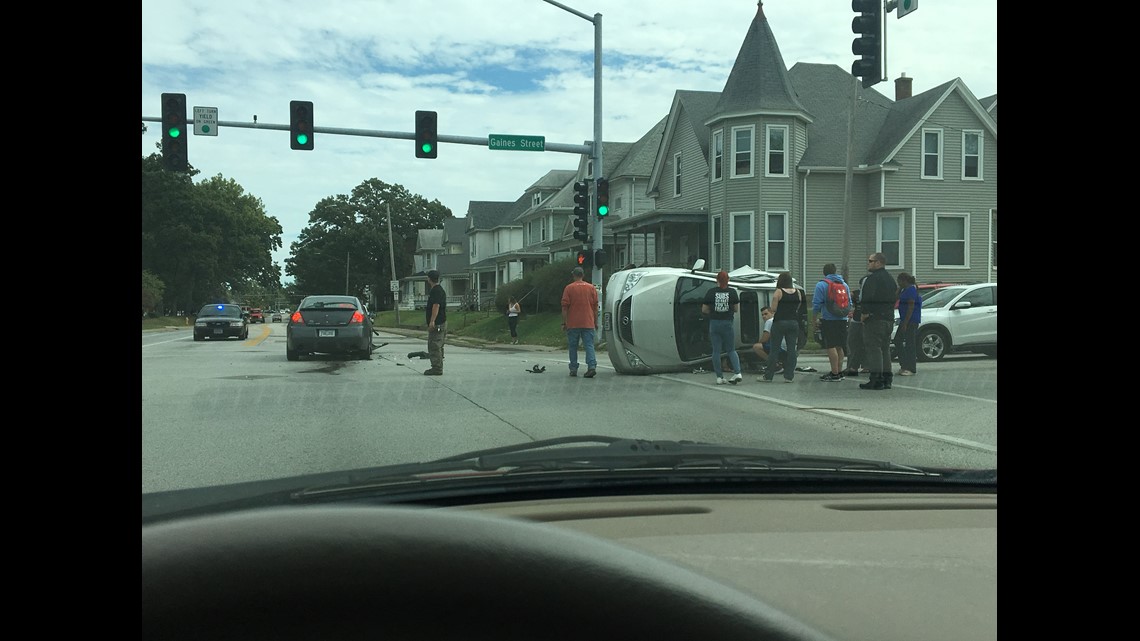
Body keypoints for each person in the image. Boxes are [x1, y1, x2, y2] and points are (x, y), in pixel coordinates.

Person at [859, 253, 895, 390]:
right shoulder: (890, 280)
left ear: (878, 263)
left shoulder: (872, 279)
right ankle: (887, 379)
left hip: (875, 319)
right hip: (888, 319)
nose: (869, 263)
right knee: (885, 349)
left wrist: (864, 313)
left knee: (873, 349)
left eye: (870, 261)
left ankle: (876, 379)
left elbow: (868, 298)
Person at [759, 272, 802, 383]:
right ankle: (789, 376)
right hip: (793, 322)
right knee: (792, 349)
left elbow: (773, 309)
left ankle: (769, 376)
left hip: (780, 322)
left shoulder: (778, 292)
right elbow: (798, 306)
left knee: (774, 349)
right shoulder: (797, 292)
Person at [701, 271, 743, 385]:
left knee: (716, 351)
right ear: (728, 280)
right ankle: (737, 372)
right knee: (731, 349)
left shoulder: (711, 292)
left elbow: (704, 310)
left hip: (714, 323)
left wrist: (713, 311)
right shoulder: (732, 292)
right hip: (727, 323)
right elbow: (735, 309)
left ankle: (719, 377)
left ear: (717, 280)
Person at [812, 263, 852, 382]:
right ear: (835, 271)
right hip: (842, 319)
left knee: (830, 345)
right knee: (839, 346)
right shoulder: (844, 284)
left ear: (824, 272)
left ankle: (834, 373)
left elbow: (816, 304)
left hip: (829, 319)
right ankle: (839, 371)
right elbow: (849, 302)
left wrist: (814, 319)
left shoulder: (822, 284)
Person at [561, 266, 599, 378]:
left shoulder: (569, 288)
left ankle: (573, 368)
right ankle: (591, 366)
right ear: (583, 275)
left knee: (573, 346)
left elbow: (564, 307)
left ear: (574, 275)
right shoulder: (591, 288)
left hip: (573, 323)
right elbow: (595, 307)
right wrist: (595, 322)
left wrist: (564, 322)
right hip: (588, 321)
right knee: (589, 345)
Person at [842, 273, 871, 377]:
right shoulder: (856, 293)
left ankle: (866, 366)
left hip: (866, 322)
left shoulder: (871, 294)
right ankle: (851, 366)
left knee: (865, 344)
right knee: (852, 344)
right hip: (855, 320)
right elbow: (849, 301)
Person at [894, 272, 921, 376]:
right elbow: (895, 298)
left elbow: (911, 306)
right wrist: (898, 289)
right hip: (904, 319)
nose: (898, 283)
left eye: (899, 281)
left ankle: (911, 367)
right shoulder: (904, 290)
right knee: (897, 340)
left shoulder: (911, 290)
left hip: (911, 320)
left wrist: (905, 322)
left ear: (904, 280)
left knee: (910, 343)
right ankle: (904, 365)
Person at [423, 269, 447, 376]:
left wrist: (432, 321)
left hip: (437, 323)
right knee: (438, 345)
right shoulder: (439, 290)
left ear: (429, 279)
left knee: (434, 345)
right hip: (442, 321)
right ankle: (438, 365)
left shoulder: (436, 291)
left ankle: (437, 368)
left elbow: (436, 305)